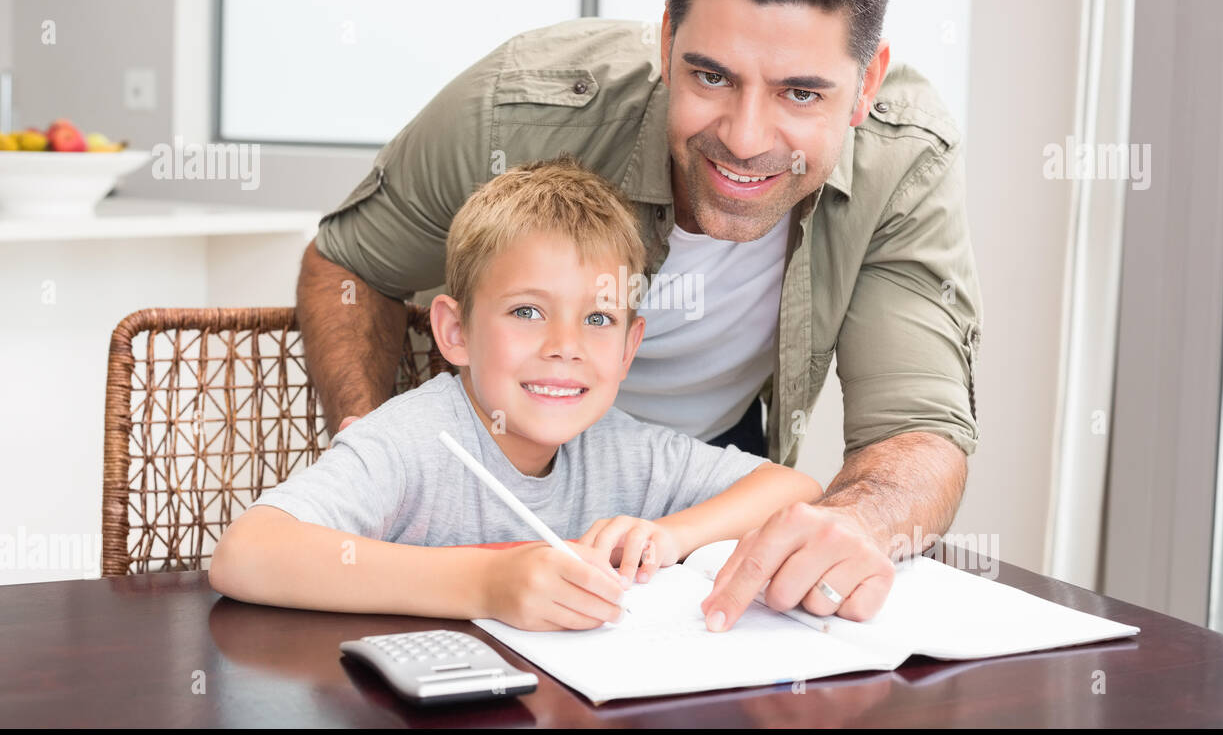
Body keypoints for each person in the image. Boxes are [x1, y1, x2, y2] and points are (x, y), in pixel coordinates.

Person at [296, 0, 982, 631]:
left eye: (800, 93)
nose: (746, 139)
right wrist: (373, 448)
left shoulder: (905, 160)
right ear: (665, 41)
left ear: (866, 84)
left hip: (693, 489)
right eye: (711, 76)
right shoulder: (514, 111)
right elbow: (349, 263)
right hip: (484, 471)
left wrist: (856, 523)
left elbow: (915, 431)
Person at [211, 156, 824, 631]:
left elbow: (795, 490)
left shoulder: (620, 448)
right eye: (528, 311)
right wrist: (488, 583)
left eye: (599, 319)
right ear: (455, 331)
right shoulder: (412, 439)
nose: (566, 346)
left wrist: (671, 536)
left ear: (629, 346)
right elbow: (246, 553)